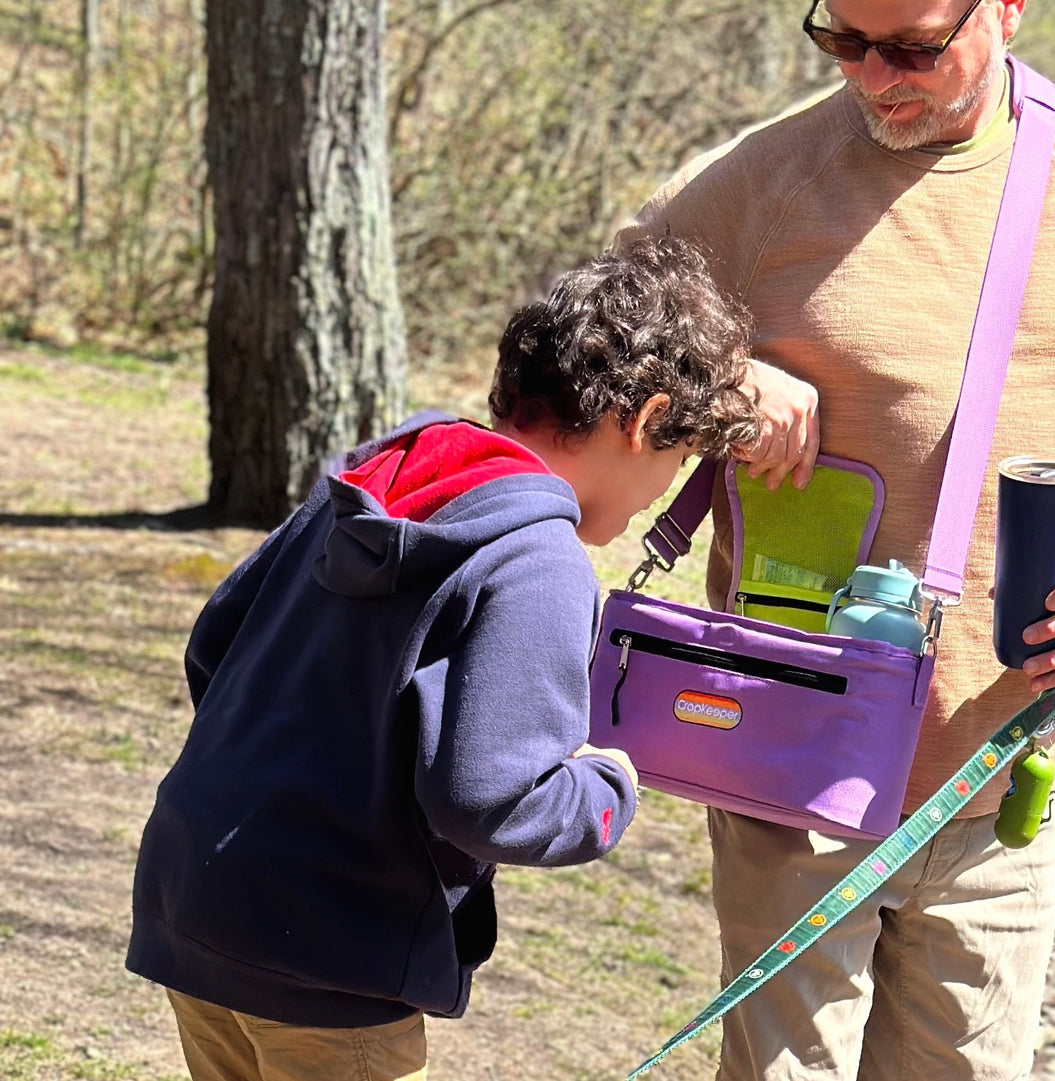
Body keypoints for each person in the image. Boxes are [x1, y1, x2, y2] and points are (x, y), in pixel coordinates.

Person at [615, 1, 1055, 1078]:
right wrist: (726, 380)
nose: (875, 78)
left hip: (999, 772)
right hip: (791, 759)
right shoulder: (757, 181)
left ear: (1006, 10)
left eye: (914, 47)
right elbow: (592, 343)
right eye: (844, 42)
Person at [125, 236, 760, 1081]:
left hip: (195, 894)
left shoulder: (386, 467)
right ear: (644, 420)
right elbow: (490, 798)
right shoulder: (539, 559)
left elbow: (216, 642)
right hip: (333, 959)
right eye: (678, 461)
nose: (662, 494)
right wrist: (609, 787)